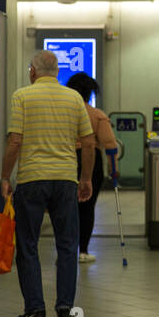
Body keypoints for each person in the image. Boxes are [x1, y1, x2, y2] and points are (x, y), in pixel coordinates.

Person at [0, 50, 95, 317]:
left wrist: (6, 177)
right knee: (67, 244)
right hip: (66, 180)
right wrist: (86, 178)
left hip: (31, 180)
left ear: (32, 71)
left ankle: (35, 312)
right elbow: (89, 143)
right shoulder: (74, 97)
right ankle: (66, 311)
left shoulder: (23, 96)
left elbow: (15, 141)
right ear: (56, 71)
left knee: (28, 244)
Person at [66, 72, 118, 264]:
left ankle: (66, 250)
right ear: (90, 93)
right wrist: (114, 171)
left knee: (66, 207)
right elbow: (111, 146)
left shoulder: (64, 114)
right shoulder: (98, 116)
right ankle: (83, 251)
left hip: (66, 161)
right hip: (91, 163)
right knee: (87, 208)